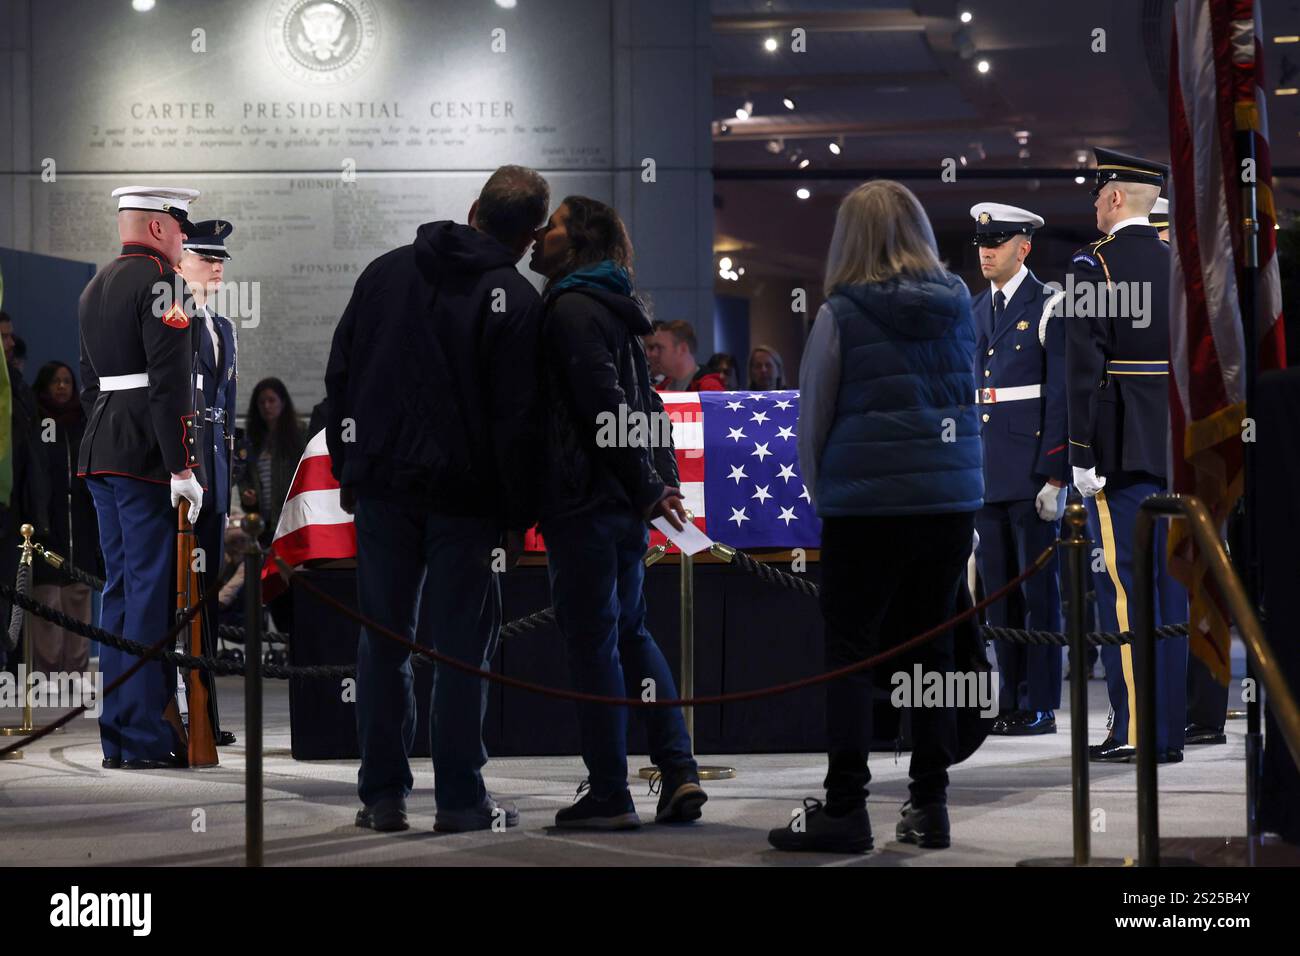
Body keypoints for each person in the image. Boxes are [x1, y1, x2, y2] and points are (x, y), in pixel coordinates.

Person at [325, 164, 549, 833]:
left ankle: (383, 796)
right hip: (467, 502)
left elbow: (340, 376)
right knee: (459, 655)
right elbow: (518, 423)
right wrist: (515, 516)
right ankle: (458, 800)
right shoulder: (515, 298)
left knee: (383, 645)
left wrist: (350, 466)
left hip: (385, 489)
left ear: (475, 207)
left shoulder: (385, 272)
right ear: (531, 234)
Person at [768, 180, 982, 854]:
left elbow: (813, 421)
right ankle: (930, 804)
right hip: (947, 507)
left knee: (851, 660)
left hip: (866, 511)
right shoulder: (961, 308)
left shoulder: (841, 313)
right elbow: (968, 402)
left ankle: (845, 807)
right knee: (935, 653)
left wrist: (823, 494)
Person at [531, 195, 707, 829]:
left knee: (593, 642)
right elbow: (647, 408)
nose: (537, 235)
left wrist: (646, 486)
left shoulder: (571, 308)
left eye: (550, 228)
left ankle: (609, 792)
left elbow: (604, 407)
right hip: (621, 502)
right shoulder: (616, 304)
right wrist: (657, 483)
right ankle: (679, 771)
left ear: (576, 243)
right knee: (630, 633)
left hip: (586, 502)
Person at [1066, 148, 1189, 764]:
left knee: (1126, 591)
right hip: (1174, 444)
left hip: (1119, 446)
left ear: (1116, 199)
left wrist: (1081, 452)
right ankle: (1169, 729)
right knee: (1170, 592)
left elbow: (1085, 366)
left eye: (1097, 194)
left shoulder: (1094, 267)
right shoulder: (1179, 265)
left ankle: (1140, 731)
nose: (1094, 204)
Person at [79, 185, 206, 770]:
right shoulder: (163, 283)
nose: (184, 239)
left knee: (121, 592)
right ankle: (144, 738)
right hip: (145, 459)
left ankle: (120, 735)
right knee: (150, 596)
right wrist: (181, 465)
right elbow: (169, 385)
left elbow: (90, 381)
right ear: (158, 227)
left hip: (102, 449)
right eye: (180, 227)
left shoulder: (96, 285)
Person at [968, 203, 1069, 737]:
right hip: (987, 472)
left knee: (1038, 593)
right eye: (983, 241)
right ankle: (1009, 695)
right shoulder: (975, 309)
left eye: (999, 241)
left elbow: (1060, 397)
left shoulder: (1049, 303)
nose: (986, 250)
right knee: (998, 594)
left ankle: (1041, 702)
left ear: (1023, 246)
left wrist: (1056, 474)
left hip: (1031, 473)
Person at [176, 219, 240, 747]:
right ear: (180, 262)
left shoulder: (223, 327)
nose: (216, 267)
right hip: (184, 481)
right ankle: (180, 712)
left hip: (214, 482)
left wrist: (227, 483)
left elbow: (225, 411)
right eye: (205, 258)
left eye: (220, 261)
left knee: (209, 599)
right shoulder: (172, 319)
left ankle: (207, 713)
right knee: (181, 597)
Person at [28, 361, 100, 676]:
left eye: (67, 381)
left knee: (78, 601)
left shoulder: (82, 424)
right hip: (46, 530)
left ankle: (77, 673)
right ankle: (45, 676)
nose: (61, 387)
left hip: (81, 531)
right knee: (47, 603)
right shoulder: (34, 423)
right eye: (55, 381)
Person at [240, 377, 304, 545]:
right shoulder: (252, 439)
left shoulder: (299, 434)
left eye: (271, 400)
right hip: (263, 522)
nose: (267, 406)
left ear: (282, 402)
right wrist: (246, 494)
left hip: (292, 518)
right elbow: (245, 477)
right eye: (261, 402)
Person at [646, 320, 726, 392]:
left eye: (660, 348)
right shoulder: (664, 385)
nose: (653, 354)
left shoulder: (709, 388)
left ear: (682, 349)